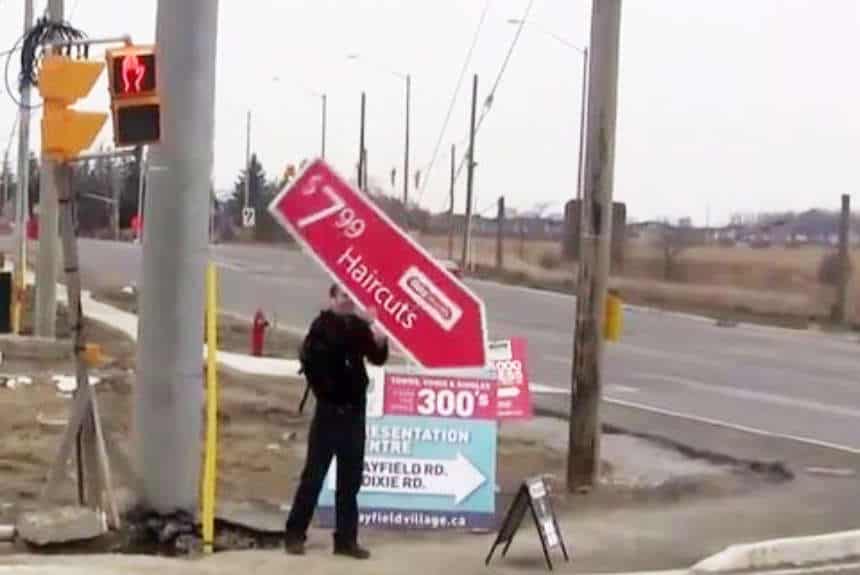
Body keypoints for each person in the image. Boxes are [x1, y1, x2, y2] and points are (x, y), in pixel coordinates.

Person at [284, 283, 389, 559]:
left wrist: (380, 342)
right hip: (330, 412)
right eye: (343, 296)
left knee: (350, 481)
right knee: (313, 477)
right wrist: (363, 324)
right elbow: (330, 348)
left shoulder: (357, 326)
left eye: (351, 297)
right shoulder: (323, 326)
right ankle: (294, 534)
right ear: (332, 299)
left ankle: (345, 540)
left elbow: (376, 357)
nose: (348, 301)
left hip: (354, 413)